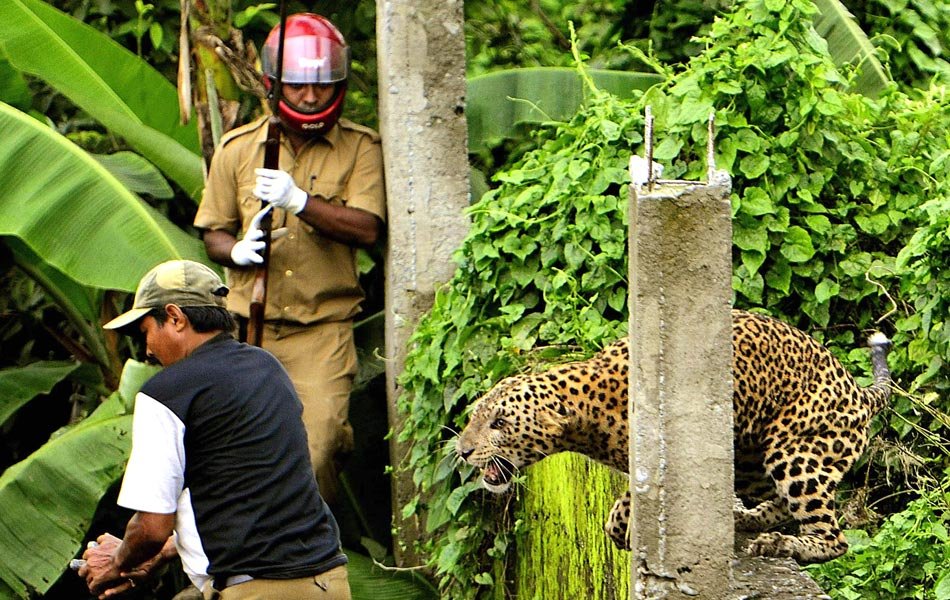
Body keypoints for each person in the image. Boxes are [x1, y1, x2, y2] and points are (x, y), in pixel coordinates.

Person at [193, 12, 386, 505]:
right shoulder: (237, 150)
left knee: (317, 449)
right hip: (244, 329)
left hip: (322, 331)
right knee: (232, 455)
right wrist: (235, 251)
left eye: (322, 87)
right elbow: (212, 230)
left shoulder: (361, 148)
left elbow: (367, 227)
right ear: (274, 84)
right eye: (298, 86)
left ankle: (306, 558)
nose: (310, 97)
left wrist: (301, 202)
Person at [79, 260, 350, 599]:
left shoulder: (165, 393)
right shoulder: (267, 368)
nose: (147, 348)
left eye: (147, 330)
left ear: (176, 318)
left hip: (255, 589)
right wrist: (158, 556)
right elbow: (243, 498)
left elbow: (151, 527)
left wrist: (115, 563)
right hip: (327, 583)